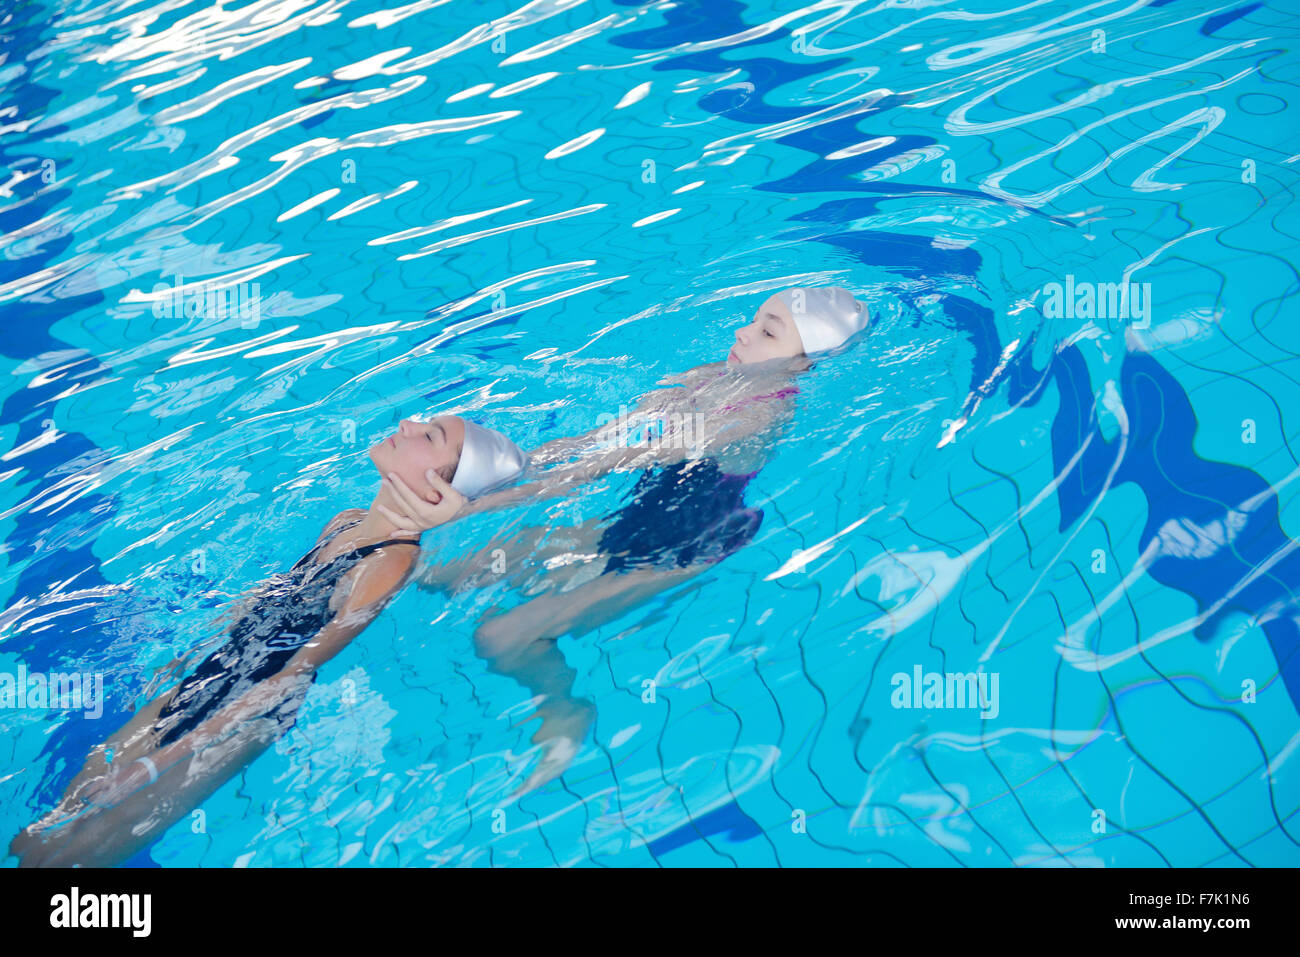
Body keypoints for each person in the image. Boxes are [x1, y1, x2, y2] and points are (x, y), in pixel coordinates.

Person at [382, 286, 872, 795]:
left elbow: (611, 461)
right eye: (753, 319)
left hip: (684, 550)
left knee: (500, 637)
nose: (742, 332)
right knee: (468, 565)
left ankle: (564, 708)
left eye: (768, 331)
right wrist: (520, 466)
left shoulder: (761, 412)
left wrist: (481, 504)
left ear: (807, 360)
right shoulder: (709, 378)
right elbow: (596, 442)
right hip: (632, 525)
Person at [10, 415, 528, 867]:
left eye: (430, 435)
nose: (409, 425)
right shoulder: (345, 521)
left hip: (246, 716)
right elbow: (264, 601)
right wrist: (190, 658)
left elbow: (290, 675)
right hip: (213, 671)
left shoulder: (390, 563)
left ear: (437, 487)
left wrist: (158, 762)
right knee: (72, 795)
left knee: (80, 851)